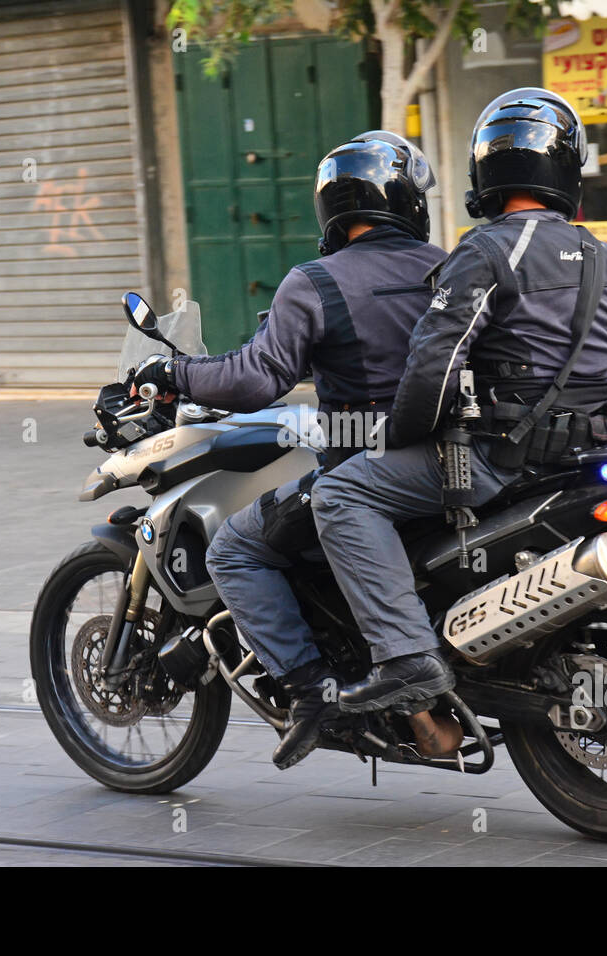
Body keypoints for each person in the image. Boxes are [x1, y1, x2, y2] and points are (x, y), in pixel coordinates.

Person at [310, 88, 607, 715]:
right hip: (586, 455)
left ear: (486, 171)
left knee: (341, 493)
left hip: (499, 460)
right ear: (567, 170)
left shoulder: (486, 251)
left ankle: (406, 658)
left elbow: (433, 367)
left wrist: (396, 436)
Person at [132, 131, 446, 768]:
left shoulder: (315, 281)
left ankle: (311, 692)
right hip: (446, 464)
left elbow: (255, 378)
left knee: (237, 548)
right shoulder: (447, 267)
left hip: (364, 468)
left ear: (333, 208)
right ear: (407, 201)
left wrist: (174, 374)